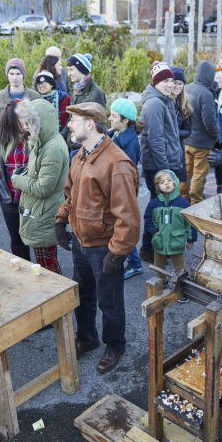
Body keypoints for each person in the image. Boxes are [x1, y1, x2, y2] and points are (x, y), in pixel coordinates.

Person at [54, 102, 141, 374]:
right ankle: (87, 337)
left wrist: (117, 253)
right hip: (81, 242)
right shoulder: (80, 155)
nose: (69, 125)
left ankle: (115, 345)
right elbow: (71, 194)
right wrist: (61, 219)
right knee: (84, 294)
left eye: (74, 121)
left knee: (110, 301)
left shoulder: (117, 164)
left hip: (104, 247)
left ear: (90, 124)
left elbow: (128, 217)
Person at [12, 99, 69, 274]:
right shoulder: (45, 141)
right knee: (47, 261)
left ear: (40, 122)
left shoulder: (52, 148)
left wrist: (16, 179)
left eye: (29, 123)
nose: (26, 127)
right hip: (42, 211)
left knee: (47, 266)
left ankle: (60, 298)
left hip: (44, 215)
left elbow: (43, 188)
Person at [139, 61, 185, 262]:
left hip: (168, 163)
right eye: (165, 81)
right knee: (157, 209)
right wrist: (164, 171)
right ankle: (150, 249)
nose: (170, 85)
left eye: (171, 80)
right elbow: (156, 140)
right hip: (158, 166)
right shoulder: (155, 103)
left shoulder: (165, 99)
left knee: (163, 208)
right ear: (156, 82)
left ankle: (157, 248)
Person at [0, 102, 31, 261]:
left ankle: (45, 275)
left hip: (33, 199)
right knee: (18, 240)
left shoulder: (35, 139)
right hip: (10, 199)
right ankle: (24, 272)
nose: (28, 120)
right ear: (12, 119)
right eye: (23, 116)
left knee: (40, 239)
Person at [108, 98, 143, 279]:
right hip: (118, 189)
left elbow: (125, 170)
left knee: (123, 228)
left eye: (114, 116)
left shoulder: (129, 143)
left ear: (125, 120)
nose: (110, 119)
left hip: (123, 191)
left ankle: (135, 264)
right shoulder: (117, 134)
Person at [145, 169, 196, 284]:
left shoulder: (183, 204)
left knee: (180, 267)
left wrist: (190, 239)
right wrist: (154, 232)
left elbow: (190, 223)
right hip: (159, 240)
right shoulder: (154, 204)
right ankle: (162, 282)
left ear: (175, 182)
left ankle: (183, 286)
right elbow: (148, 218)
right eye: (162, 182)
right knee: (159, 265)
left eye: (169, 180)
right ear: (158, 186)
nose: (166, 183)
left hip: (175, 241)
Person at [182, 60, 218, 203]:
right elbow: (209, 121)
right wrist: (216, 136)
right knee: (199, 175)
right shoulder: (206, 94)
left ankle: (182, 199)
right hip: (202, 144)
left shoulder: (186, 88)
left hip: (187, 140)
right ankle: (196, 201)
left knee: (186, 172)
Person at [0, 58, 41, 128]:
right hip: (5, 137)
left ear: (23, 75)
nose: (15, 78)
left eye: (18, 74)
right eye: (11, 74)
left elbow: (39, 120)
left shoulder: (35, 96)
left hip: (28, 137)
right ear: (7, 75)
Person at [171, 65, 192, 194]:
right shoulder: (166, 102)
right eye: (175, 83)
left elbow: (188, 130)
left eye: (180, 83)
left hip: (178, 149)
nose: (178, 86)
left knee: (176, 184)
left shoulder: (185, 105)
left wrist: (174, 134)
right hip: (167, 149)